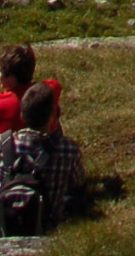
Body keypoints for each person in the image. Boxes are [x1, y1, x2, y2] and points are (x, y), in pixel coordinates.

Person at [0, 86, 84, 234]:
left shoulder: (4, 145)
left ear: (22, 115)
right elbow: (78, 184)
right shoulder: (68, 149)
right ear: (52, 116)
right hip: (48, 227)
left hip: (6, 225)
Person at [0, 53, 57, 138]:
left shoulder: (4, 103)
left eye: (2, 72)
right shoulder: (47, 91)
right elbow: (55, 84)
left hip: (12, 148)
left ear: (12, 78)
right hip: (47, 142)